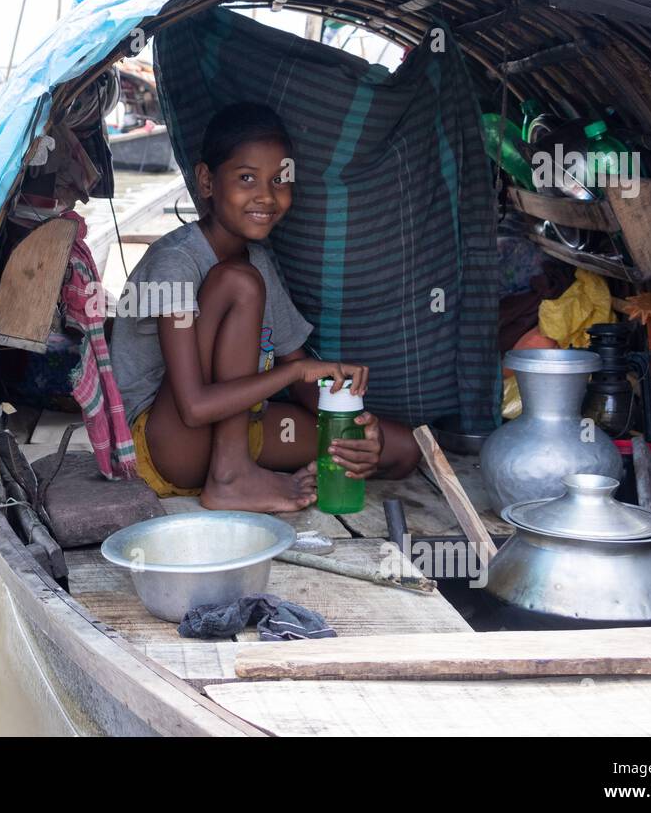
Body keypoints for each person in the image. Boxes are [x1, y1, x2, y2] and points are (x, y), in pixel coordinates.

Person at [110, 102, 420, 513]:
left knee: (401, 450)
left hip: (240, 426)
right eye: (246, 178)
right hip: (166, 445)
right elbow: (195, 406)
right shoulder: (176, 263)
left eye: (279, 180)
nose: (266, 196)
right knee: (235, 281)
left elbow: (298, 364)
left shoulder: (258, 261)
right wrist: (293, 372)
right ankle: (231, 477)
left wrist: (351, 425)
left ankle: (242, 469)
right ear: (206, 181)